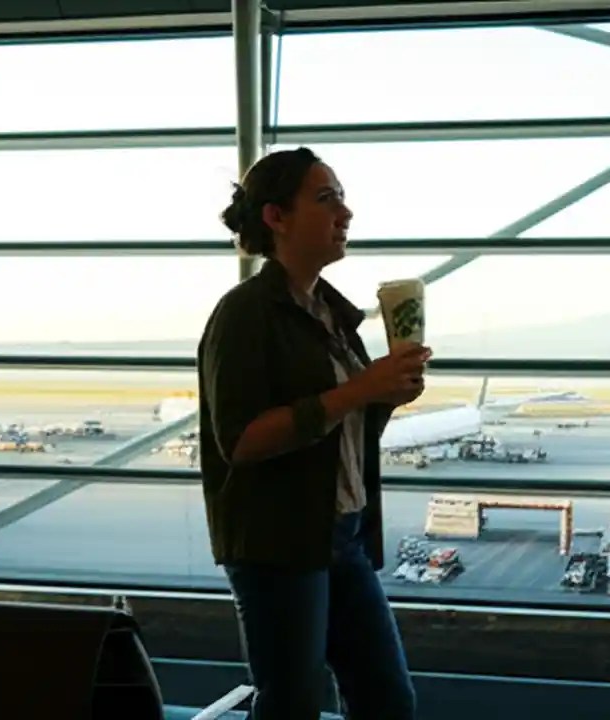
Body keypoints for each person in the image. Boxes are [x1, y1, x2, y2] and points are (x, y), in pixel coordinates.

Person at [197, 146, 429, 720]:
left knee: (387, 701)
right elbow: (243, 440)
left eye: (343, 198)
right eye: (327, 199)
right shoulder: (244, 314)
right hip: (279, 543)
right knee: (294, 704)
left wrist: (384, 397)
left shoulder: (330, 314)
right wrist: (359, 390)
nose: (345, 213)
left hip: (340, 535)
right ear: (276, 217)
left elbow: (339, 427)